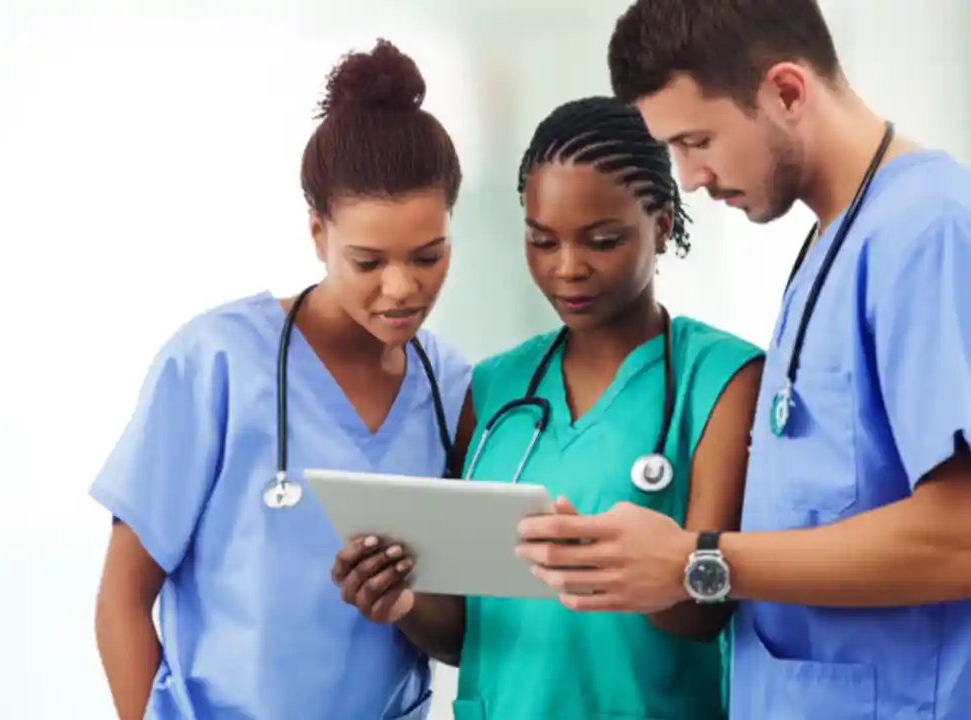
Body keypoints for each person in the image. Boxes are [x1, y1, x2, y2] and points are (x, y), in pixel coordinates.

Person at [516, 1, 971, 718]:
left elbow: (961, 537)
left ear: (786, 91)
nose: (688, 177)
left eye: (697, 140)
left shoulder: (926, 231)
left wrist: (699, 560)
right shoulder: (833, 243)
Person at [331, 95, 764, 719]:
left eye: (603, 241)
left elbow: (704, 611)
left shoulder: (720, 378)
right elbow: (470, 631)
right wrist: (402, 599)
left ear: (663, 225)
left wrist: (614, 564)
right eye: (542, 241)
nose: (567, 269)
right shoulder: (493, 389)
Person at [88, 39, 473, 720]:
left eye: (428, 256)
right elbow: (122, 597)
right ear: (318, 234)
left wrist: (404, 604)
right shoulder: (217, 362)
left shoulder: (451, 389)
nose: (401, 288)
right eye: (367, 260)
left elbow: (461, 635)